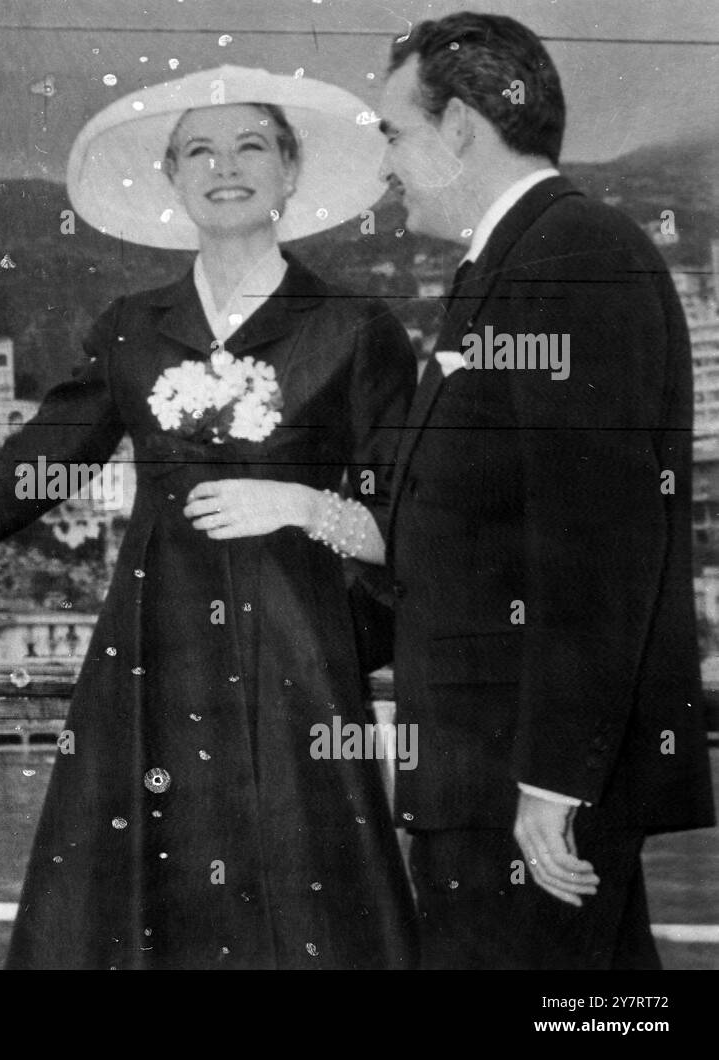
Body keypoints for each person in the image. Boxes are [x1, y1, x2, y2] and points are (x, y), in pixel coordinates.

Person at [0, 65, 419, 969]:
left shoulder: (353, 327)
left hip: (299, 658)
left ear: (291, 169)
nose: (226, 167)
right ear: (172, 179)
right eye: (199, 151)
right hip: (155, 647)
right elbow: (22, 473)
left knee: (306, 883)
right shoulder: (133, 327)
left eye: (252, 145)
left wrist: (301, 503)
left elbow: (404, 520)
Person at [377, 12, 715, 969]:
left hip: (522, 799)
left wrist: (554, 783)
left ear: (463, 132)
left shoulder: (570, 259)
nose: (386, 169)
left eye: (394, 136)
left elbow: (599, 540)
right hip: (493, 782)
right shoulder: (511, 266)